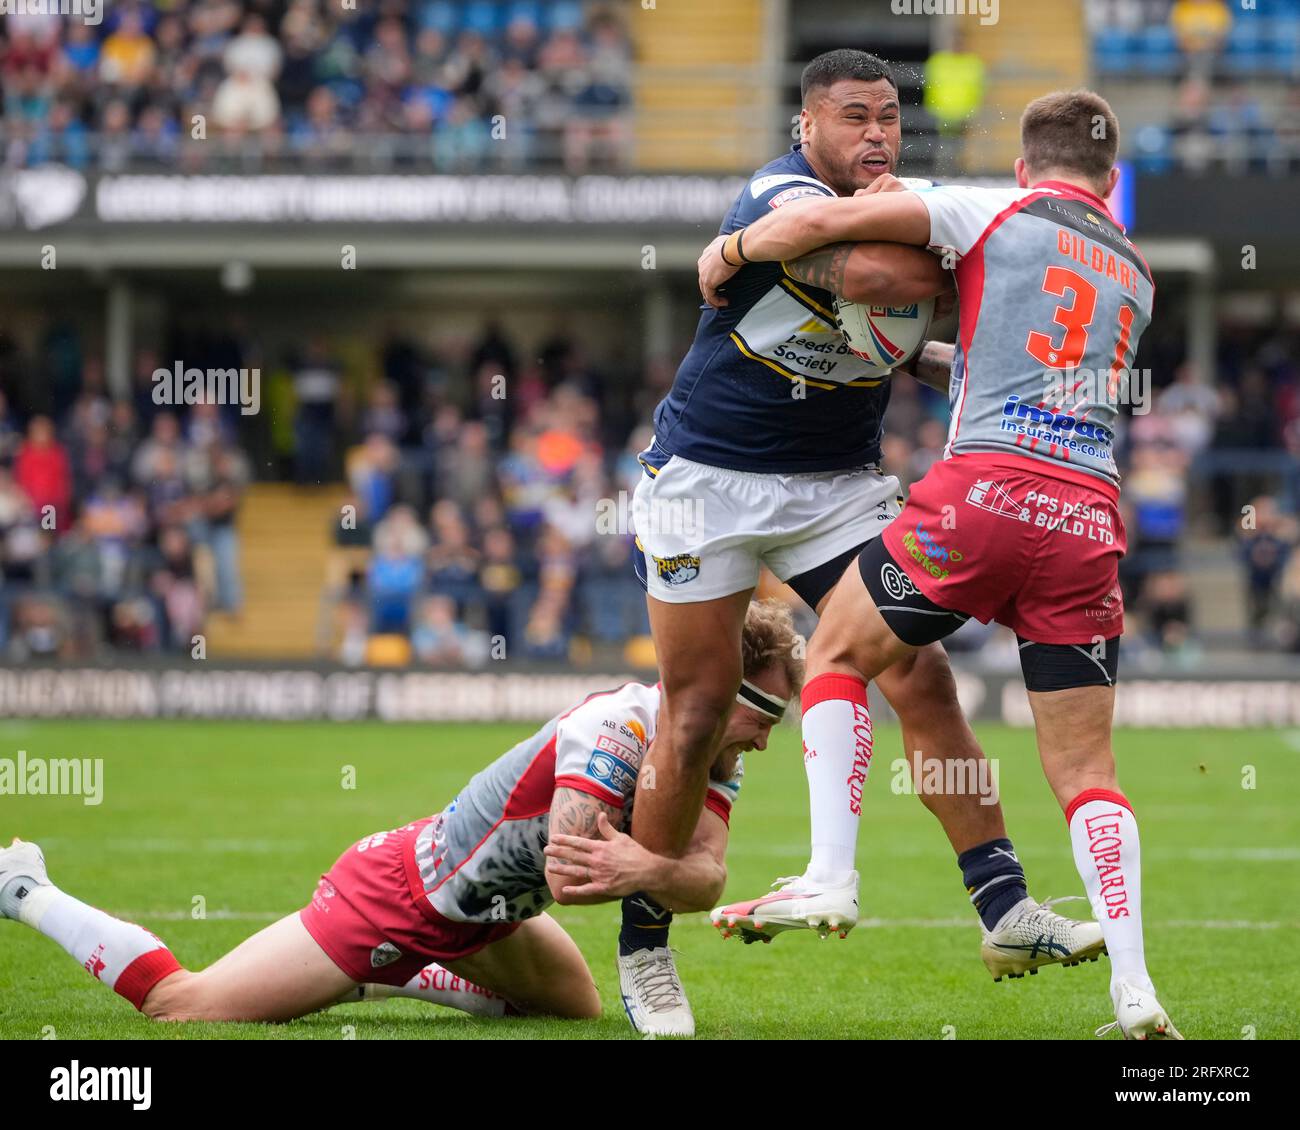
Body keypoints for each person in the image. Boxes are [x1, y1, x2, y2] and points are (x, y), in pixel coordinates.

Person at [621, 49, 1103, 1035]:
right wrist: (943, 271)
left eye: (888, 118)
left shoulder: (879, 203)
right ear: (807, 126)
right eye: (854, 117)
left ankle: (1004, 904)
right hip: (708, 480)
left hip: (834, 485)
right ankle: (644, 940)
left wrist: (943, 350)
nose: (876, 135)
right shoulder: (777, 191)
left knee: (919, 676)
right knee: (699, 706)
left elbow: (891, 317)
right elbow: (892, 275)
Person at [698, 89, 1180, 1040]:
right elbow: (1019, 363)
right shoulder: (1137, 269)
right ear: (1111, 183)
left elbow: (826, 221)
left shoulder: (989, 208)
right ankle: (1135, 992)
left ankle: (830, 876)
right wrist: (918, 358)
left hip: (985, 494)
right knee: (1087, 769)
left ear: (1021, 168)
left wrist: (733, 252)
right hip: (1086, 515)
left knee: (836, 652)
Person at [0, 601, 798, 1035]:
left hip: (485, 915)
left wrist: (662, 875)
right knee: (184, 1005)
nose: (768, 740)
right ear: (722, 690)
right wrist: (665, 875)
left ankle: (406, 976)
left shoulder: (712, 759)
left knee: (576, 1009)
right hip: (396, 898)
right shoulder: (617, 729)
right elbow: (572, 872)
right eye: (765, 714)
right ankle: (25, 888)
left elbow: (704, 875)